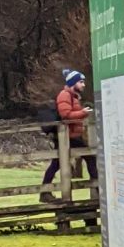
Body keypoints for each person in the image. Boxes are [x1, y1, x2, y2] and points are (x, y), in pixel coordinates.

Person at [43, 69, 92, 197]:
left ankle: (45, 192)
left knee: (57, 164)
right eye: (81, 82)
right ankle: (98, 188)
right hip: (68, 137)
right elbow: (66, 115)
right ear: (73, 83)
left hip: (71, 136)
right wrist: (83, 113)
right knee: (91, 158)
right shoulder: (65, 95)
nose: (83, 85)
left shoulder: (73, 96)